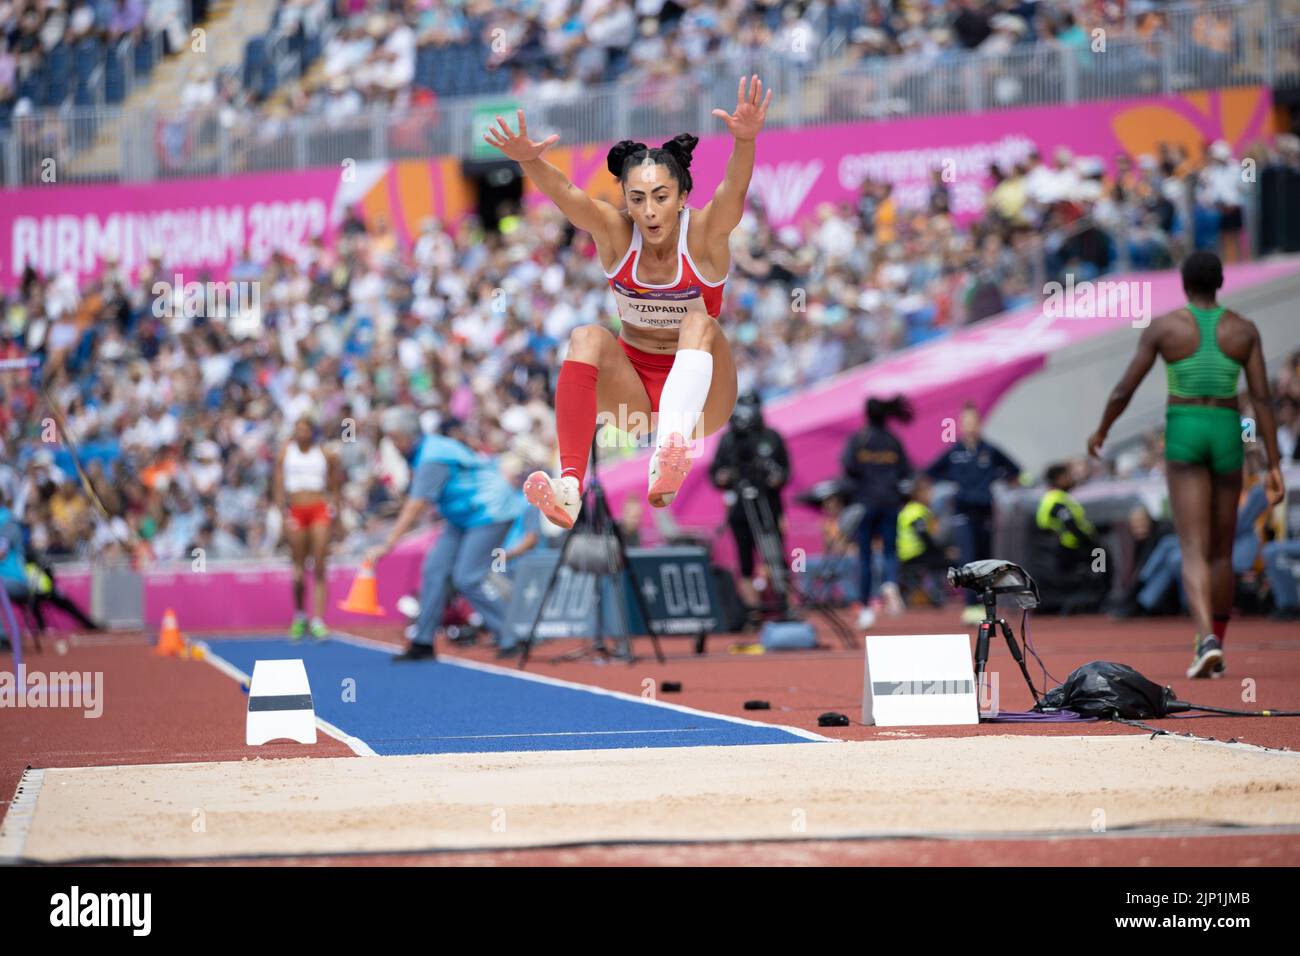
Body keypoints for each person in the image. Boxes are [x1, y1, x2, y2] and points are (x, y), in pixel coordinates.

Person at [482, 75, 773, 528]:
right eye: (637, 199)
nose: (650, 210)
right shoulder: (616, 233)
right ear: (626, 201)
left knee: (700, 325)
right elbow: (568, 196)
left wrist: (746, 141)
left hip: (702, 403)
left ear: (682, 198)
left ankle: (671, 453)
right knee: (587, 337)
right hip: (633, 403)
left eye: (660, 197)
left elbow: (733, 191)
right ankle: (570, 487)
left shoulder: (704, 234)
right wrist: (530, 162)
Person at [1089, 251, 1285, 678]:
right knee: (1221, 550)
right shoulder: (1243, 329)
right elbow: (1263, 399)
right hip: (1226, 429)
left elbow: (1125, 387)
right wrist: (1273, 464)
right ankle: (1215, 640)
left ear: (1183, 284)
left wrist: (1103, 429)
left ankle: (1205, 641)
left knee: (1192, 546)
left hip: (1185, 429)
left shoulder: (1166, 327)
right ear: (1220, 282)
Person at [364, 410, 526, 661]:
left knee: (467, 577)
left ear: (408, 435)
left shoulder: (431, 457)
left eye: (396, 439)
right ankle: (423, 641)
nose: (394, 445)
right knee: (434, 569)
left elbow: (415, 506)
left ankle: (512, 636)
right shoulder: (425, 450)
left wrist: (387, 545)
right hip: (462, 515)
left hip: (490, 510)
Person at [926, 402, 1021, 624]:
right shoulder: (954, 452)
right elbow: (930, 471)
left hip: (986, 512)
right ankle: (970, 606)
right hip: (962, 513)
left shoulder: (990, 450)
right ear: (961, 425)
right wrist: (953, 485)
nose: (970, 427)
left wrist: (999, 480)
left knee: (986, 560)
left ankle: (986, 604)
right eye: (966, 422)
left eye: (974, 422)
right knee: (967, 558)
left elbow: (1014, 470)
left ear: (980, 424)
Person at [709, 390, 791, 612]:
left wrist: (776, 478)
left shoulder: (771, 437)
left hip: (768, 505)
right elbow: (715, 472)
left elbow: (785, 471)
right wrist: (723, 477)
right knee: (744, 560)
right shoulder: (728, 439)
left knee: (773, 555)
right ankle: (751, 610)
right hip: (740, 508)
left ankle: (783, 603)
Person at [841, 395, 913, 627]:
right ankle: (890, 583)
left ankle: (865, 608)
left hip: (866, 504)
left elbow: (849, 467)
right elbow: (906, 472)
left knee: (865, 556)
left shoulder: (859, 439)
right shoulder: (893, 441)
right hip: (890, 503)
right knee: (890, 551)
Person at [273, 415, 342, 642]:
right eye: (298, 429)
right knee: (298, 568)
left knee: (320, 564)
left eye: (305, 429)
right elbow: (279, 485)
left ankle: (318, 620)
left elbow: (334, 485)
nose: (301, 433)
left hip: (319, 508)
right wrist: (282, 513)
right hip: (296, 510)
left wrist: (336, 513)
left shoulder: (324, 453)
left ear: (312, 432)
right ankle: (300, 614)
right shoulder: (286, 453)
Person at [1032, 463, 1107, 614]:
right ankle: (1097, 599)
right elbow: (1071, 526)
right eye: (1067, 475)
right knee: (1101, 556)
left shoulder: (1060, 497)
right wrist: (1091, 544)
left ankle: (1093, 597)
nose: (1071, 478)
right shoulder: (1055, 500)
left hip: (1070, 546)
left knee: (1101, 554)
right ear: (1059, 479)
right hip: (1069, 547)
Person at [896, 474, 949, 607]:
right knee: (944, 560)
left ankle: (929, 593)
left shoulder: (908, 509)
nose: (931, 494)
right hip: (912, 554)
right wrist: (942, 551)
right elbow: (923, 536)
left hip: (906, 554)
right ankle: (937, 595)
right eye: (928, 491)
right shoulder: (917, 510)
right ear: (918, 494)